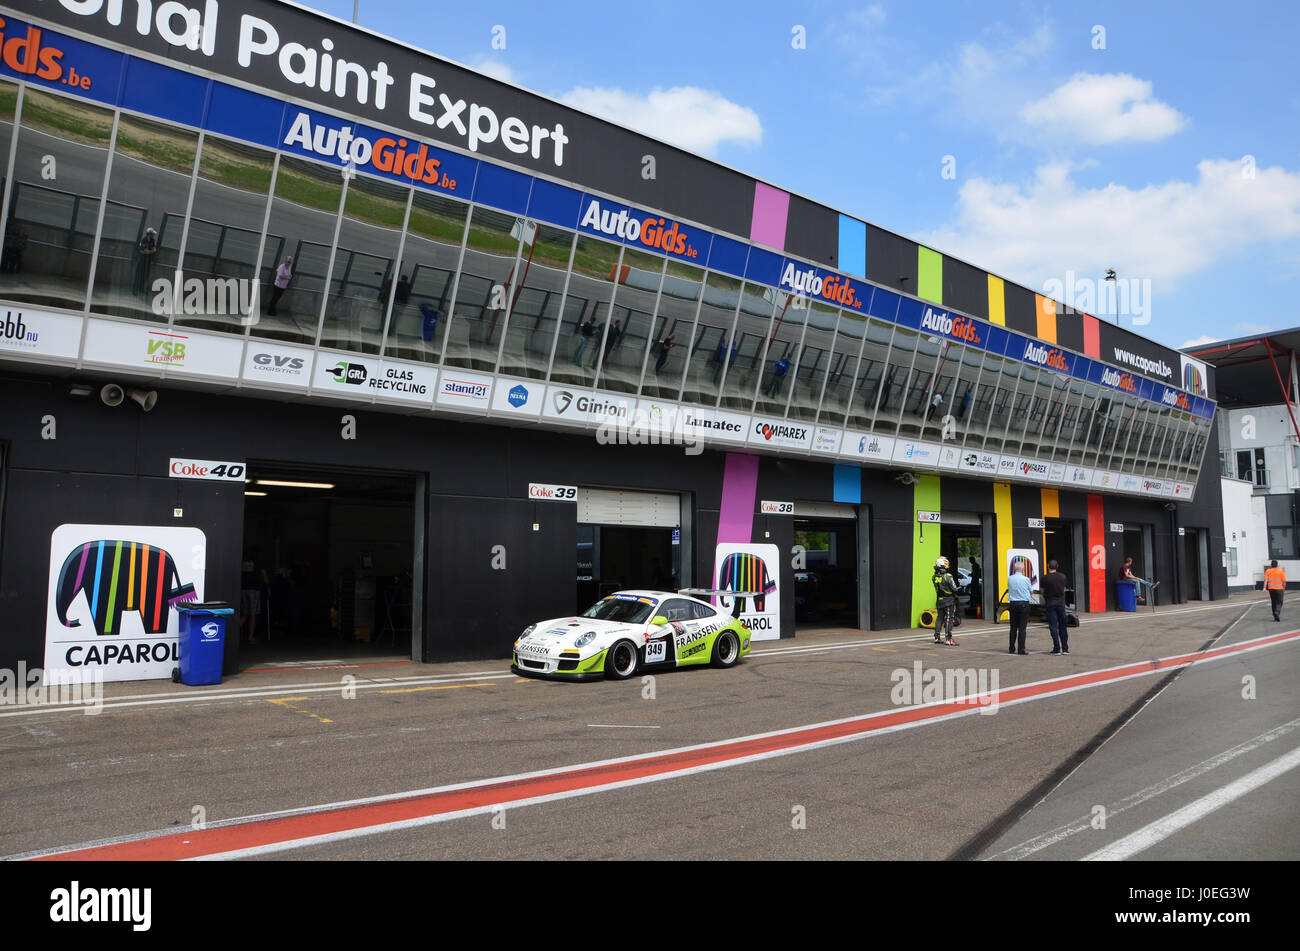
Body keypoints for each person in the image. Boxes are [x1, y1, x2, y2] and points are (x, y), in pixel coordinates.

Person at [1041, 559, 1069, 654]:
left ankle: (1057, 648)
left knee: (1053, 626)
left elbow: (1042, 591)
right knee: (1063, 626)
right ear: (1057, 566)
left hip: (1050, 603)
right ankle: (1065, 648)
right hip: (1061, 603)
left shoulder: (1044, 578)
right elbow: (1064, 589)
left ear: (1048, 566)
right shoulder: (1062, 576)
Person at [240, 555, 269, 645]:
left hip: (243, 589)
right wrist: (268, 588)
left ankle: (234, 634)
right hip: (254, 590)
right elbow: (264, 575)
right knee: (253, 614)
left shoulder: (242, 561)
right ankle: (250, 637)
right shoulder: (258, 562)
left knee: (245, 613)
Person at [932, 556, 959, 645]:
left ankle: (937, 637)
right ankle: (948, 639)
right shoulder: (948, 576)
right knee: (949, 619)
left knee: (939, 618)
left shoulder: (934, 577)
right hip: (948, 600)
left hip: (939, 600)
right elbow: (954, 588)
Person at [1006, 562, 1032, 654]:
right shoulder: (1026, 579)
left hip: (1013, 604)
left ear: (1014, 568)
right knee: (1022, 628)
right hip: (1023, 604)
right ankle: (1021, 649)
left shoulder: (1010, 578)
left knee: (1013, 627)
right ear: (1023, 569)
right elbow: (1030, 590)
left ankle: (1011, 648)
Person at [132, 227, 158, 296]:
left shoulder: (152, 240)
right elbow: (144, 251)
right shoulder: (144, 240)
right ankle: (135, 290)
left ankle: (141, 289)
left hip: (148, 261)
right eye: (152, 234)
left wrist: (149, 251)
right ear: (149, 234)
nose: (153, 235)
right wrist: (151, 251)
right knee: (139, 275)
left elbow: (154, 249)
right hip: (142, 260)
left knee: (145, 276)